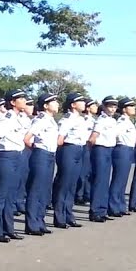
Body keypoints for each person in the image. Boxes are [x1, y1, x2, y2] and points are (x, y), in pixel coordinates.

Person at [0, 89, 32, 243]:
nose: (24, 100)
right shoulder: (7, 118)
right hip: (6, 156)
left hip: (17, 155)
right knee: (1, 194)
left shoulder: (20, 117)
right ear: (13, 102)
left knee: (11, 195)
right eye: (20, 98)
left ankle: (9, 228)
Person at [53, 92, 90, 229]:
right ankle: (59, 217)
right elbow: (60, 139)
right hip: (68, 149)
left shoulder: (81, 119)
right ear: (73, 104)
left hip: (79, 149)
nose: (84, 103)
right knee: (64, 183)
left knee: (72, 184)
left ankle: (69, 215)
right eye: (80, 101)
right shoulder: (67, 119)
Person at [25, 93, 59, 235]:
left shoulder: (51, 120)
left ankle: (40, 221)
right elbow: (27, 138)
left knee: (44, 190)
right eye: (53, 101)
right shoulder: (41, 120)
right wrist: (37, 148)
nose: (57, 103)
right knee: (36, 190)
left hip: (50, 155)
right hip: (41, 154)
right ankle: (32, 224)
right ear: (45, 106)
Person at [86, 96, 119, 223]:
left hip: (109, 150)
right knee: (99, 180)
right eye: (110, 106)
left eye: (114, 106)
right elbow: (93, 138)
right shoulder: (101, 120)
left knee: (105, 181)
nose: (112, 109)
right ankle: (95, 211)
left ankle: (102, 210)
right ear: (104, 107)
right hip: (100, 149)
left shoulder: (112, 121)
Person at [109, 98, 136, 217]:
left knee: (123, 179)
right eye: (130, 106)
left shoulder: (128, 121)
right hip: (122, 149)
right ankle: (113, 206)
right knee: (118, 179)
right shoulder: (121, 122)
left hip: (128, 149)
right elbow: (115, 135)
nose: (133, 108)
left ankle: (120, 205)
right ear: (124, 109)